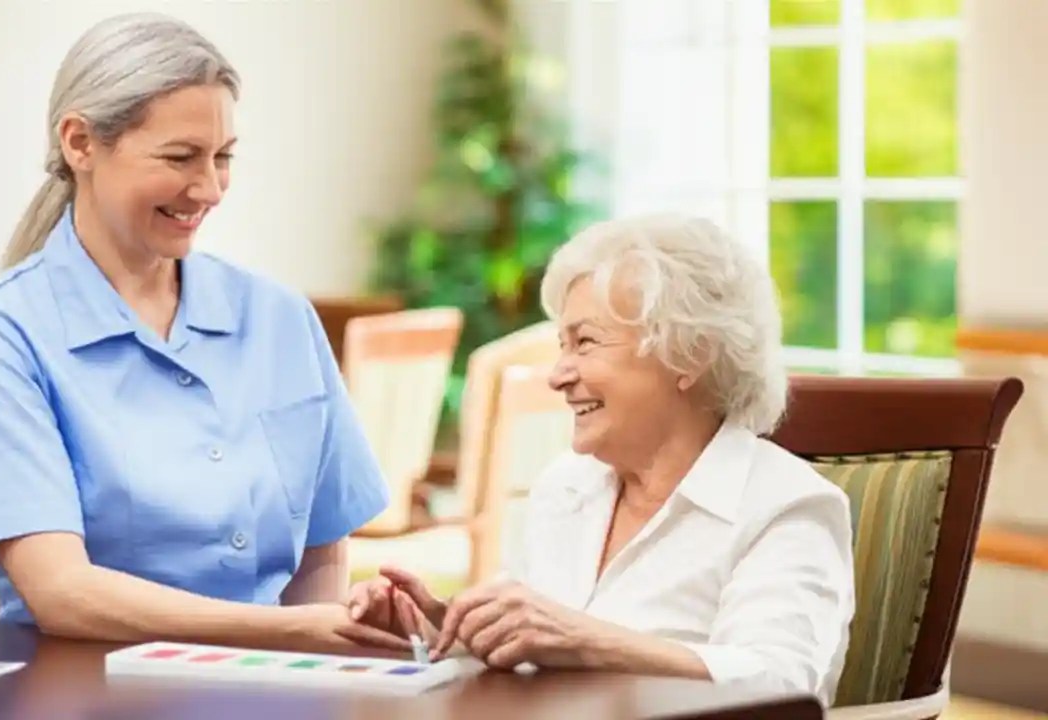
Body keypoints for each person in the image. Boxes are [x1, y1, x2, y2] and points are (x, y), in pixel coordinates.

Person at [0, 12, 406, 654]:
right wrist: (288, 634)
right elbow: (61, 593)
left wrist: (317, 660)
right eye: (181, 157)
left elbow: (322, 546)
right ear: (79, 143)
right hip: (79, 690)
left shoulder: (280, 319)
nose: (209, 188)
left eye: (223, 158)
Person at [348, 214, 856, 706]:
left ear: (689, 354)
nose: (557, 375)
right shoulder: (566, 488)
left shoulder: (787, 506)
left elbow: (783, 685)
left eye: (585, 342)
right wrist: (448, 630)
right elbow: (534, 647)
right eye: (561, 345)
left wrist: (584, 640)